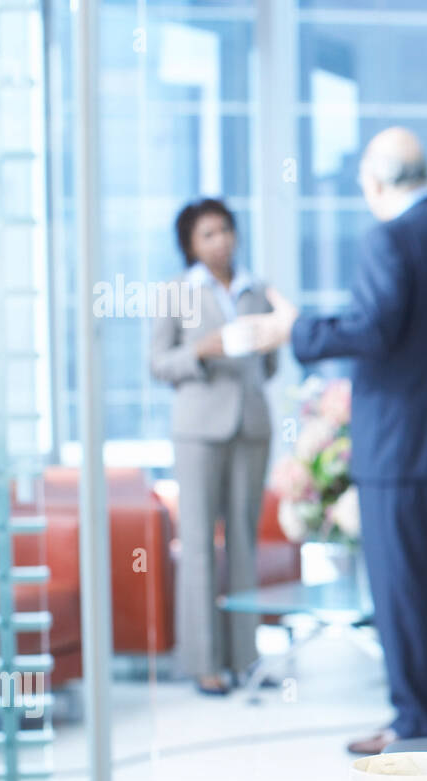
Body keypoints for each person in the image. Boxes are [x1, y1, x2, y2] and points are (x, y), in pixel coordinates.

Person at [258, 127, 427, 753]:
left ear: (378, 181)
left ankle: (418, 724)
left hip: (400, 449)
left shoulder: (390, 237)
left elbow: (374, 329)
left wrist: (296, 330)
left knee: (405, 593)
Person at [151, 198, 284, 695]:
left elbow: (270, 363)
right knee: (201, 543)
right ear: (190, 243)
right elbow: (158, 363)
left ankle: (246, 657)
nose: (220, 240)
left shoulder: (257, 290)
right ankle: (204, 661)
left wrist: (267, 347)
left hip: (251, 425)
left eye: (225, 230)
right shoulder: (176, 293)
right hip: (199, 429)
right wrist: (200, 352)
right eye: (207, 234)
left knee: (244, 541)